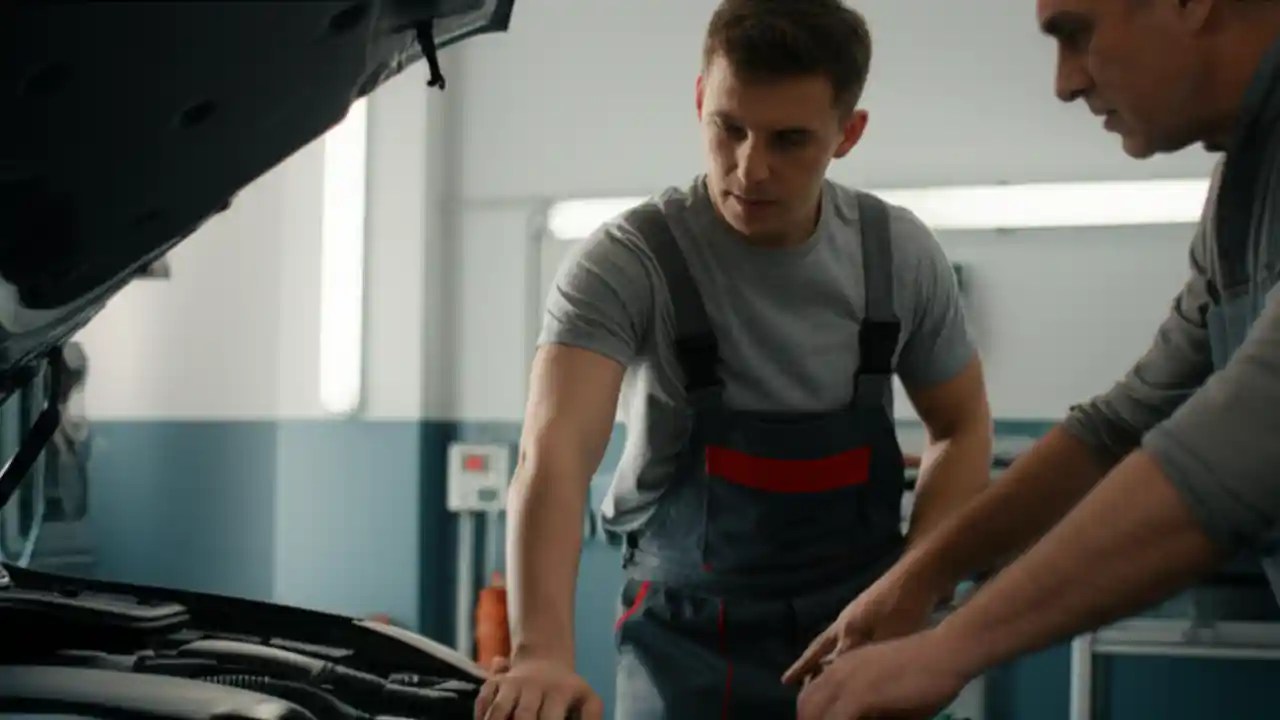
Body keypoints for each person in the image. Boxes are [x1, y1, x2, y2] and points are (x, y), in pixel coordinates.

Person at [472, 1, 995, 718]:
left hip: (860, 636)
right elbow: (554, 454)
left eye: (789, 140)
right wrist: (540, 654)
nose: (750, 168)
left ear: (848, 134)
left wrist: (916, 588)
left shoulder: (898, 256)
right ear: (698, 100)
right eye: (729, 128)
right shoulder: (628, 263)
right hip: (681, 643)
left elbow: (962, 427)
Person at [785, 0, 1280, 717]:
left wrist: (949, 647)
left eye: (1076, 33)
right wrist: (921, 575)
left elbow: (1228, 455)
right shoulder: (1242, 187)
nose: (1064, 83)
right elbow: (1121, 426)